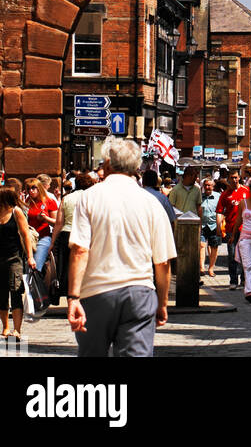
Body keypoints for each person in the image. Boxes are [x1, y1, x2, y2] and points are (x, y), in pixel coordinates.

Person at [65, 137, 177, 358]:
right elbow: (163, 262)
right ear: (137, 167)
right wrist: (162, 303)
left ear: (106, 164)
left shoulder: (88, 198)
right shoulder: (152, 203)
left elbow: (79, 250)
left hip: (96, 293)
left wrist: (73, 297)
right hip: (140, 292)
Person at [0, 185, 36, 345]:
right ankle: (5, 327)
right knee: (1, 293)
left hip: (14, 258)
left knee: (15, 292)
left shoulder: (17, 212)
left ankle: (17, 330)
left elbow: (26, 235)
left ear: (4, 197)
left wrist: (30, 256)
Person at [51, 170, 95, 298]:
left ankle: (69, 294)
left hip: (66, 234)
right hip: (84, 234)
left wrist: (53, 242)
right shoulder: (91, 198)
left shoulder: (66, 198)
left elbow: (59, 223)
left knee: (66, 267)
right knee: (84, 266)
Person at [217, 172, 249, 288]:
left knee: (245, 255)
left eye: (236, 177)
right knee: (232, 255)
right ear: (228, 179)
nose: (234, 180)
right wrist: (218, 227)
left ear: (239, 178)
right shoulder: (225, 195)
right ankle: (233, 281)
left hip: (246, 228)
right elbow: (220, 211)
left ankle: (244, 280)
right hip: (231, 229)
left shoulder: (246, 191)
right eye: (232, 178)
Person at [25, 177, 58, 275]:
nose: (31, 191)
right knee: (28, 268)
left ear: (39, 188)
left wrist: (45, 219)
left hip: (43, 237)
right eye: (28, 188)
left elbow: (56, 223)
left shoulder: (49, 201)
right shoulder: (27, 201)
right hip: (29, 238)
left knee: (36, 267)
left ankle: (37, 289)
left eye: (34, 188)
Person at [200, 177, 221, 279]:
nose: (207, 187)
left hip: (214, 225)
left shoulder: (218, 196)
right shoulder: (200, 196)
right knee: (201, 245)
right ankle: (201, 268)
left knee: (214, 247)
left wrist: (220, 226)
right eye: (206, 185)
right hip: (203, 225)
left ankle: (211, 268)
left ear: (213, 186)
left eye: (209, 185)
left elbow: (221, 211)